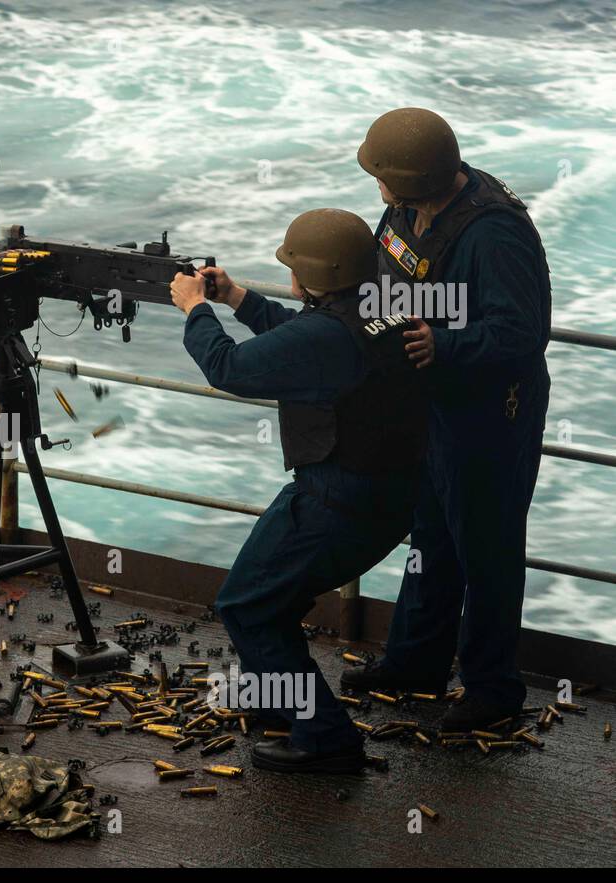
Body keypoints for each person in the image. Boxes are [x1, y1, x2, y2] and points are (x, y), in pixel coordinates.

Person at [170, 209, 427, 773]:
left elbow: (228, 367)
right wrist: (237, 297)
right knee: (272, 600)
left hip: (337, 501)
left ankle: (325, 737)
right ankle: (279, 700)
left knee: (248, 606)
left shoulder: (324, 334)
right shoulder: (378, 308)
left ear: (309, 273)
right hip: (388, 495)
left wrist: (196, 308)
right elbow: (302, 341)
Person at [343, 108, 552, 731]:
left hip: (490, 414)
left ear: (415, 178)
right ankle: (417, 661)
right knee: (431, 538)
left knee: (486, 549)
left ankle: (493, 693)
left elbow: (522, 331)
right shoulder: (408, 210)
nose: (375, 186)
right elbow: (390, 279)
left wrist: (447, 346)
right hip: (428, 404)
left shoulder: (493, 233)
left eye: (382, 175)